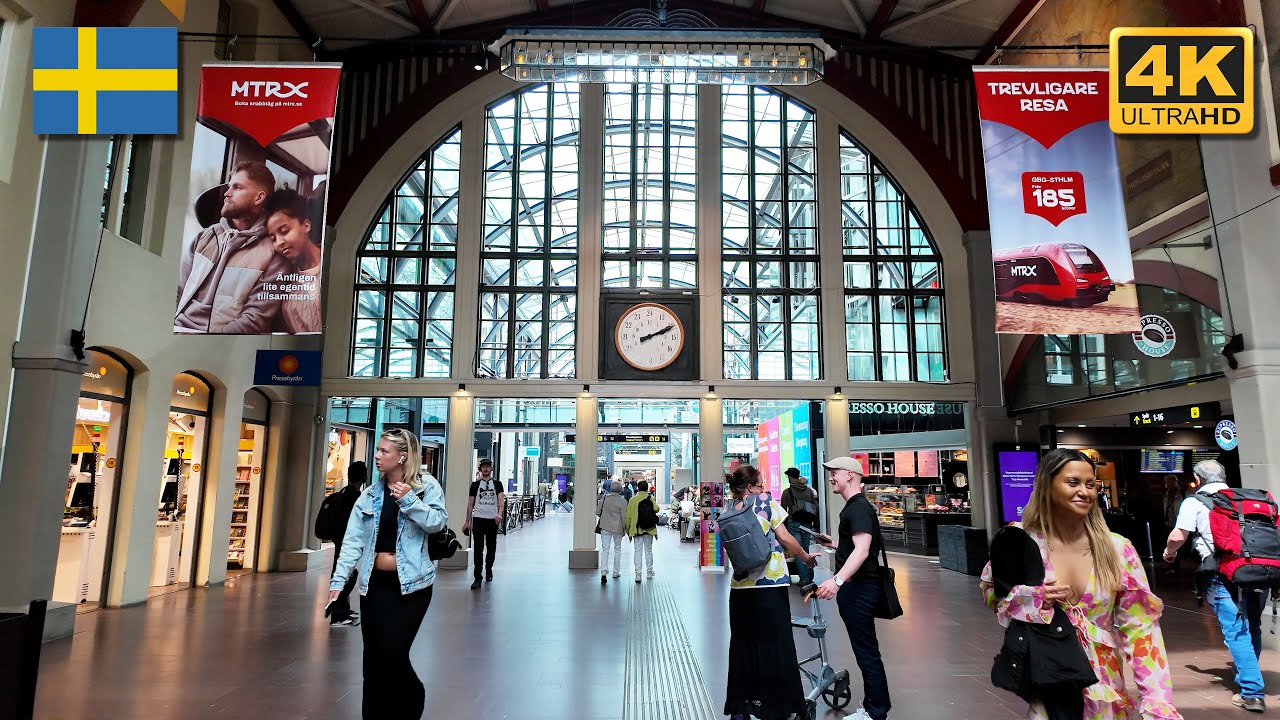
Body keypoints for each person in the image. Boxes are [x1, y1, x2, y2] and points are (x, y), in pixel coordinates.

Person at [981, 449, 1182, 720]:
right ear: (1046, 486)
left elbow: (1142, 630)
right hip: (1048, 680)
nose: (1085, 492)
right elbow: (993, 595)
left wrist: (1157, 702)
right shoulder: (1019, 542)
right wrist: (1031, 599)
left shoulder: (1117, 549)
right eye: (1072, 483)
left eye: (1090, 484)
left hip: (1105, 688)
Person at [328, 428, 447, 720]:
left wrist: (409, 500)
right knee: (373, 659)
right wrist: (338, 582)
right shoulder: (369, 494)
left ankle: (411, 697)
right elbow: (352, 540)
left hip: (413, 588)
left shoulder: (426, 486)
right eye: (378, 450)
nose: (377, 456)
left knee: (393, 652)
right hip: (375, 586)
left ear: (402, 456)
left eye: (384, 451)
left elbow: (437, 523)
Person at [1162, 459, 1265, 712]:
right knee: (1252, 624)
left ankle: (1252, 692)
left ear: (1198, 480)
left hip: (1223, 573)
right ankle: (1246, 675)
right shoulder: (1244, 498)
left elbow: (1178, 535)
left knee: (1236, 630)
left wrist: (1169, 553)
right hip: (1259, 571)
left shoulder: (1194, 501)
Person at [723, 464, 818, 720]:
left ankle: (741, 708)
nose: (763, 489)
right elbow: (785, 538)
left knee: (744, 646)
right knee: (776, 645)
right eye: (761, 484)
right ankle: (775, 708)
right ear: (752, 487)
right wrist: (805, 557)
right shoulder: (765, 502)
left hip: (740, 589)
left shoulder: (729, 509)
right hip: (769, 587)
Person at [813, 457, 890, 720]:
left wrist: (836, 581)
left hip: (859, 590)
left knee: (866, 651)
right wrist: (836, 544)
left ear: (849, 475)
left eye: (834, 473)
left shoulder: (857, 508)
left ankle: (875, 712)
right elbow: (859, 547)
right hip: (859, 588)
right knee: (866, 650)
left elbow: (863, 550)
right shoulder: (856, 508)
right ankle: (874, 707)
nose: (831, 478)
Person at [175, 161, 290, 334]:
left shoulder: (274, 253)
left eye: (237, 187)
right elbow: (176, 292)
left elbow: (254, 319)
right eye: (229, 187)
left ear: (258, 198)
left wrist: (210, 342)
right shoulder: (204, 238)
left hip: (219, 343)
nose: (227, 194)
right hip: (177, 330)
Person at [262, 188, 322, 334]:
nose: (279, 243)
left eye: (284, 231)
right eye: (273, 238)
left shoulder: (333, 263)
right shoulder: (285, 276)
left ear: (306, 225)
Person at [328, 461, 367, 627]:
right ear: (364, 477)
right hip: (347, 541)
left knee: (344, 574)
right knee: (347, 576)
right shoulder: (355, 497)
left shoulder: (344, 492)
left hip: (340, 539)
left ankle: (342, 609)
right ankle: (338, 614)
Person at [463, 458, 504, 590]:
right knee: (478, 549)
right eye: (483, 467)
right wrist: (467, 521)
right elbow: (470, 504)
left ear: (491, 469)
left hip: (492, 520)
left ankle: (489, 569)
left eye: (488, 467)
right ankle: (477, 578)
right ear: (480, 469)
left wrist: (499, 514)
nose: (486, 469)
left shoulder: (497, 484)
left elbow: (501, 500)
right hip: (479, 519)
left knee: (491, 548)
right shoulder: (475, 485)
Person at [780, 466, 820, 587]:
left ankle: (804, 579)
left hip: (794, 523)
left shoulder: (787, 492)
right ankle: (809, 574)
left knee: (798, 550)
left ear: (791, 477)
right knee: (806, 548)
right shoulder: (808, 491)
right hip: (807, 523)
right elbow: (815, 507)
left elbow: (782, 511)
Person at [625, 480, 659, 582]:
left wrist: (628, 529)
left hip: (637, 529)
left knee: (637, 551)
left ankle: (638, 575)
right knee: (648, 551)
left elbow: (628, 517)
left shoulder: (632, 499)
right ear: (647, 488)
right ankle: (649, 572)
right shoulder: (651, 498)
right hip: (649, 529)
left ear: (638, 488)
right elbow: (656, 509)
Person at [597, 480, 628, 583]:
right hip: (618, 527)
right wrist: (625, 529)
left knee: (605, 549)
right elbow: (624, 517)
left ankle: (603, 572)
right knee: (617, 549)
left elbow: (597, 511)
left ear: (610, 488)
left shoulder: (604, 498)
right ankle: (616, 572)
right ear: (621, 490)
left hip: (605, 526)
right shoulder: (623, 502)